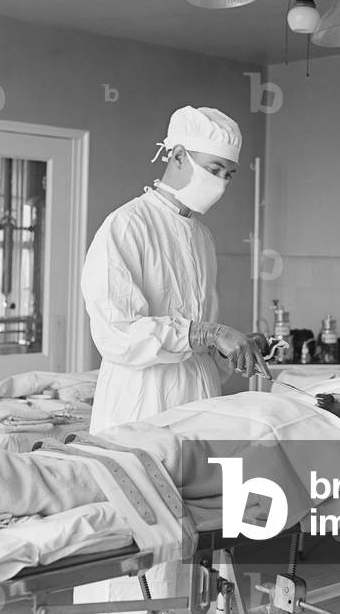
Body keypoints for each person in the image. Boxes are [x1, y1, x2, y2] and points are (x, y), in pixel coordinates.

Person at [81, 106, 265, 434]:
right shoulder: (126, 226)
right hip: (143, 403)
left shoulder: (201, 237)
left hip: (199, 398)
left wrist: (228, 349)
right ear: (179, 155)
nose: (222, 183)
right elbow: (117, 334)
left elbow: (193, 337)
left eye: (229, 175)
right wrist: (209, 332)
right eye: (215, 169)